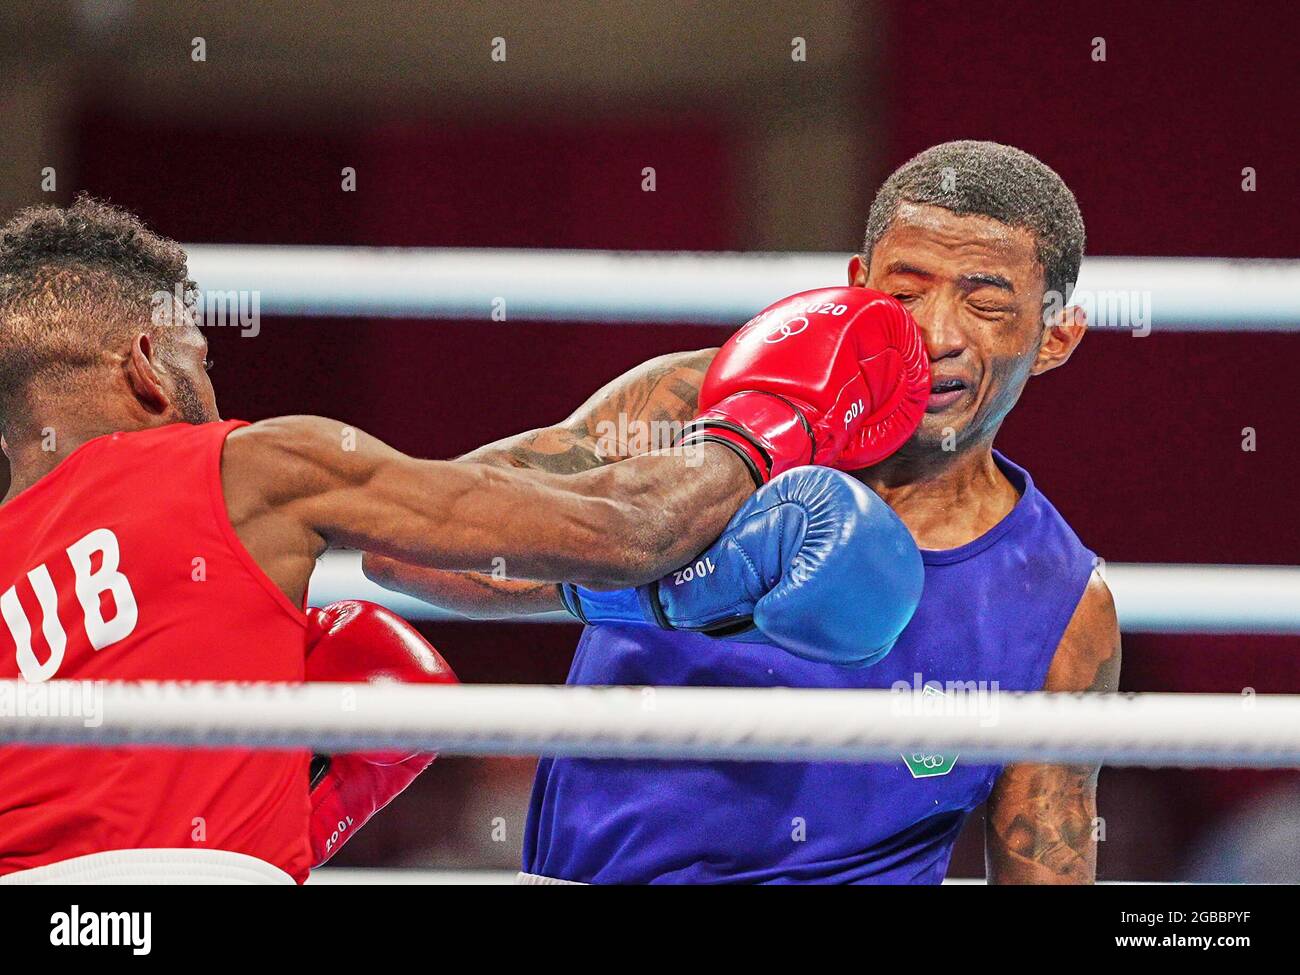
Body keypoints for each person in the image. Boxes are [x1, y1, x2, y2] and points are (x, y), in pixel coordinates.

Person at [0, 196, 926, 883]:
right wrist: (766, 423)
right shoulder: (252, 466)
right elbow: (625, 525)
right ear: (149, 368)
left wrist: (302, 817)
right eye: (202, 353)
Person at [365, 140, 1123, 884]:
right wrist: (653, 568)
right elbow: (405, 544)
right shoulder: (699, 411)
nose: (936, 334)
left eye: (986, 303)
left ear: (1056, 334)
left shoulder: (1057, 602)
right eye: (904, 292)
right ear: (858, 285)